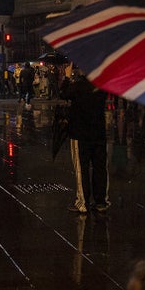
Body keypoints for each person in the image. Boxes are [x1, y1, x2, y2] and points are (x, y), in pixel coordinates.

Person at [59, 65, 109, 214]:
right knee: (100, 168)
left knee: (82, 170)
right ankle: (101, 201)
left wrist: (67, 77)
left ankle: (82, 202)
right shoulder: (101, 86)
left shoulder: (78, 86)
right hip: (99, 133)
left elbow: (63, 94)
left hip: (80, 134)